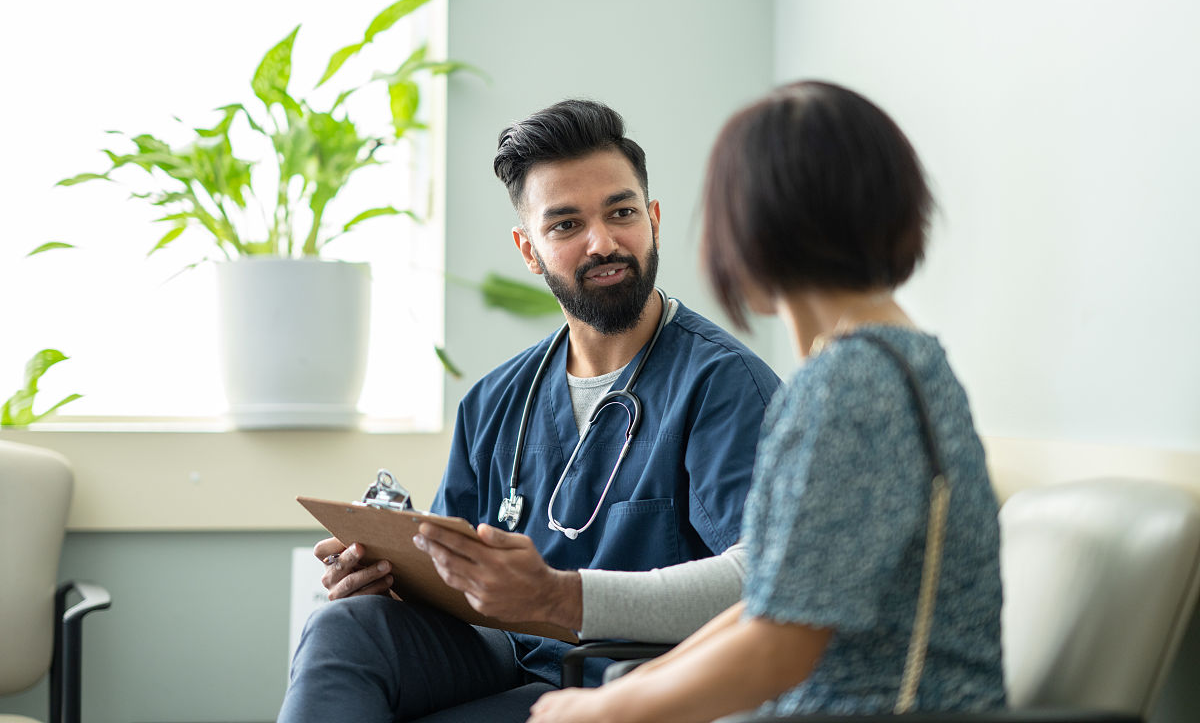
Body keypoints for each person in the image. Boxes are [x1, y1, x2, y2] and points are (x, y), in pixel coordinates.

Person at [277, 99, 781, 722]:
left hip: (627, 684)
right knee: (346, 627)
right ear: (529, 249)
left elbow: (765, 579)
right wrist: (388, 577)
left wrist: (561, 597)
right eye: (565, 225)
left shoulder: (724, 386)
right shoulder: (495, 401)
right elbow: (452, 580)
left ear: (652, 218)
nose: (603, 242)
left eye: (621, 213)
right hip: (503, 657)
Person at [528, 81, 1006, 722]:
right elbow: (769, 604)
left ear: (756, 228)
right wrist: (621, 694)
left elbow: (780, 648)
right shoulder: (908, 358)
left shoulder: (847, 386)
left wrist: (606, 712)